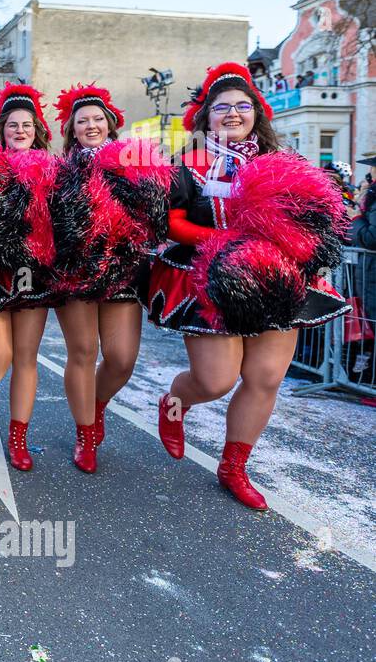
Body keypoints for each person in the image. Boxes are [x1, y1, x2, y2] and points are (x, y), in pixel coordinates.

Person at [147, 63, 350, 509]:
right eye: (223, 108)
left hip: (276, 276)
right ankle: (174, 403)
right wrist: (223, 240)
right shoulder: (187, 163)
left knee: (265, 376)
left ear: (257, 113)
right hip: (209, 275)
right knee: (216, 379)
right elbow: (173, 221)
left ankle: (234, 467)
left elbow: (314, 217)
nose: (234, 114)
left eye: (243, 106)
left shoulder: (283, 163)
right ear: (206, 117)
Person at [49, 84, 149, 474]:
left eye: (97, 119)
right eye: (82, 120)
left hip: (122, 269)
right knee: (83, 352)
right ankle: (85, 433)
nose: (91, 125)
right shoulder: (60, 169)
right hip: (74, 269)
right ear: (72, 129)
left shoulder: (133, 164)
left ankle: (97, 403)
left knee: (122, 359)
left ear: (110, 125)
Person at [0, 83, 58, 472]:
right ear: (1, 130)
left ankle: (18, 438)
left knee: (26, 358)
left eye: (27, 125)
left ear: (37, 130)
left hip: (32, 273)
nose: (20, 130)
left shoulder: (55, 169)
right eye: (12, 125)